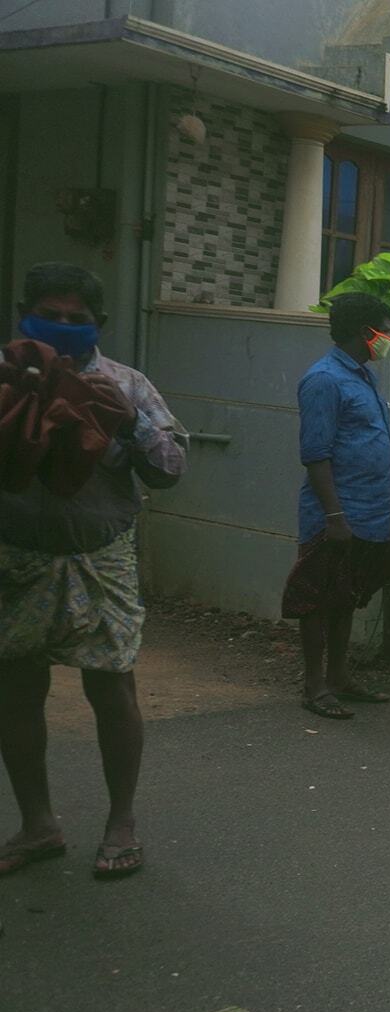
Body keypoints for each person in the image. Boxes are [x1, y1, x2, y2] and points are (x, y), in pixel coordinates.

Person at [0, 262, 185, 879]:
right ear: (24, 313)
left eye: (76, 320)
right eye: (49, 315)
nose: (61, 327)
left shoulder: (127, 384)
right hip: (17, 558)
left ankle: (121, 822)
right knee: (17, 693)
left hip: (101, 558)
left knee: (112, 688)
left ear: (98, 325)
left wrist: (126, 424)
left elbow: (170, 467)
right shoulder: (2, 376)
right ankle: (38, 825)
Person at [285, 292, 390, 721]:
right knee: (317, 600)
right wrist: (335, 515)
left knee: (345, 597)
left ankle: (339, 677)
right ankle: (314, 685)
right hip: (335, 514)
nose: (388, 337)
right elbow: (316, 453)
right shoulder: (324, 380)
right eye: (384, 329)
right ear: (363, 331)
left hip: (370, 512)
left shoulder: (364, 376)